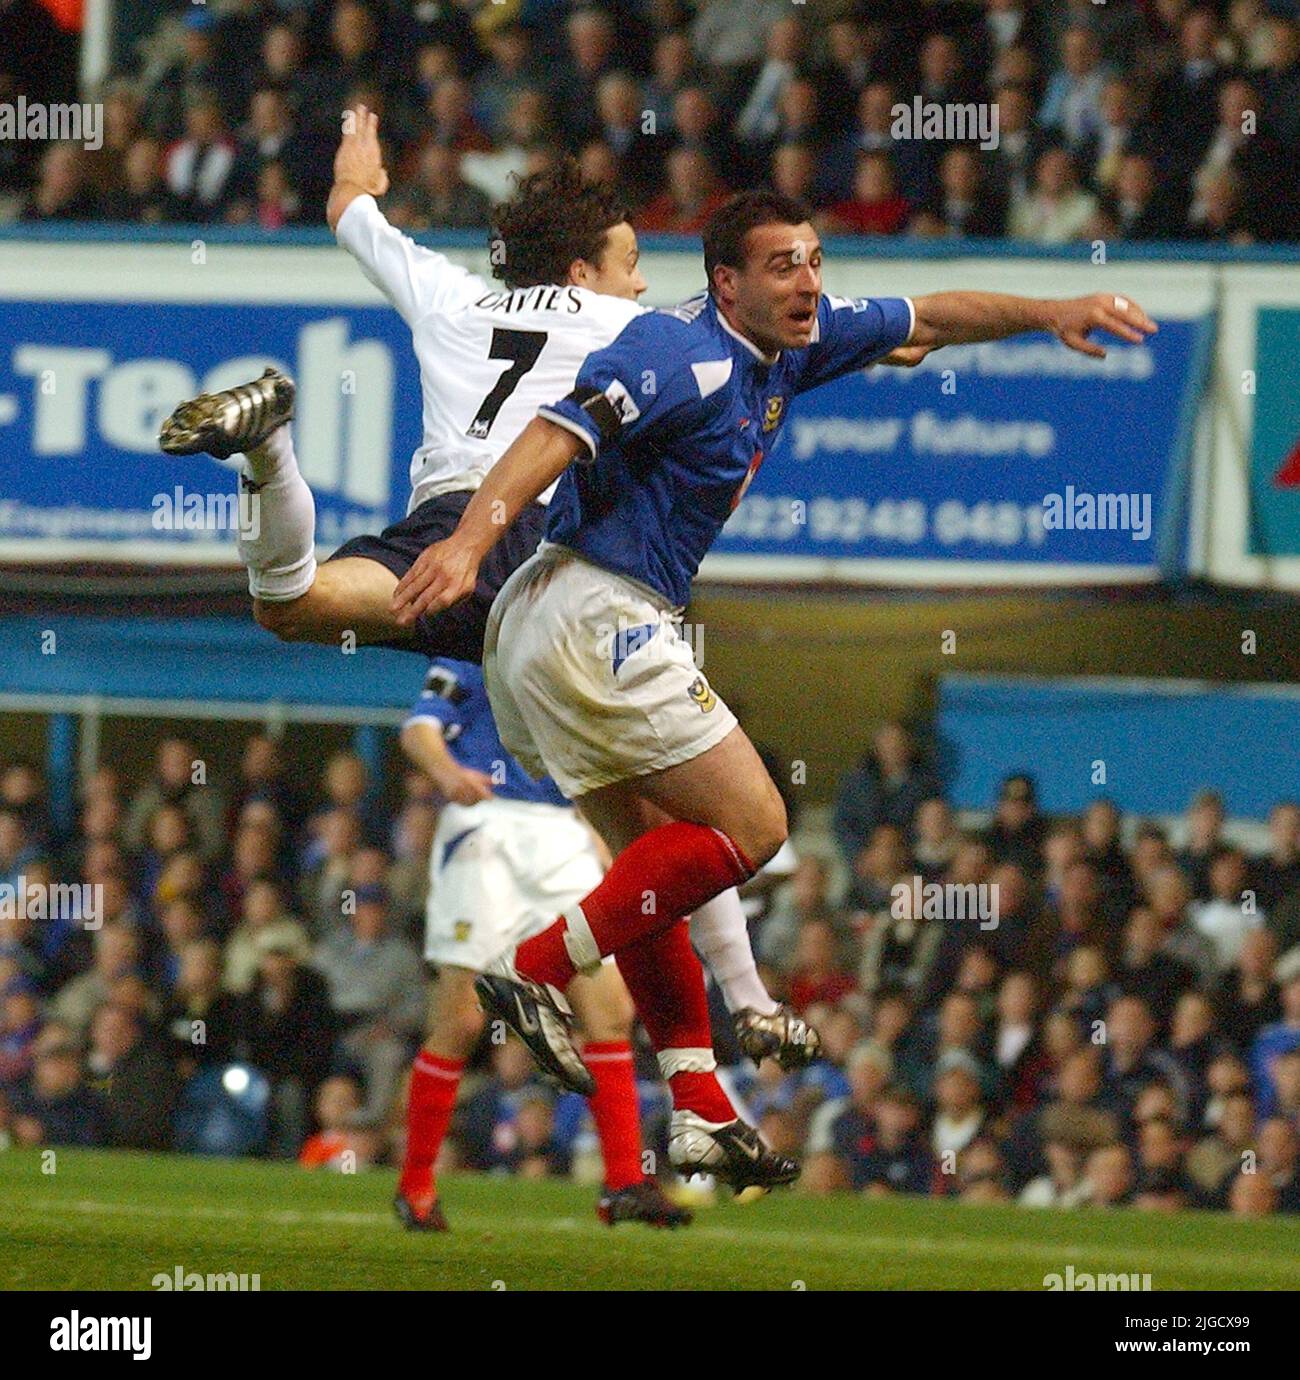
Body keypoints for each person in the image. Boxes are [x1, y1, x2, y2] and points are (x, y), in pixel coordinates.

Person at [390, 187, 1156, 1184]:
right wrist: (463, 540)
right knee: (755, 826)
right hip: (592, 611)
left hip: (550, 629)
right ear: (726, 283)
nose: (808, 281)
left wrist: (1051, 312)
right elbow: (552, 436)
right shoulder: (676, 352)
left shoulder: (792, 339)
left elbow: (931, 315)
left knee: (650, 883)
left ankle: (699, 1103)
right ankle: (532, 968)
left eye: (814, 259)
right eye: (782, 265)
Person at [158, 109, 817, 1089]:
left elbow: (349, 213)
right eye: (631, 260)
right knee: (673, 815)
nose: (643, 280)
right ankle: (742, 1010)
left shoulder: (456, 299)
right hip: (552, 556)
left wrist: (359, 171)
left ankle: (266, 452)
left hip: (438, 539)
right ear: (587, 271)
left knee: (290, 603)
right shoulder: (646, 331)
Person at [393, 655, 692, 1230]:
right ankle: (416, 1186)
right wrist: (446, 773)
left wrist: (595, 828)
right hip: (487, 825)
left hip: (562, 833)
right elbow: (420, 727)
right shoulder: (471, 647)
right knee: (462, 1019)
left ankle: (623, 1182)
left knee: (610, 1009)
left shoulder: (570, 651)